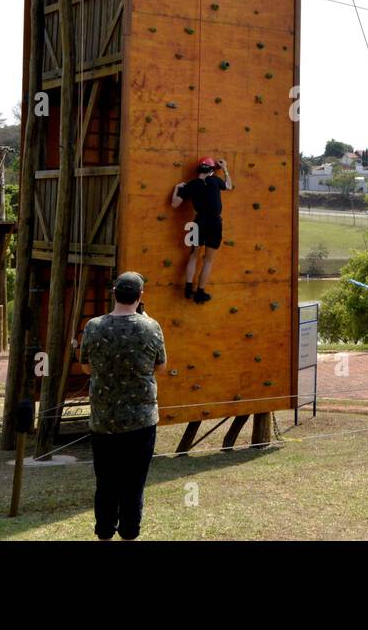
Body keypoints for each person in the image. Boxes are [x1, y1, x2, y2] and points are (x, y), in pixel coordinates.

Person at [79, 272, 167, 541]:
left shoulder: (93, 327)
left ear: (113, 292)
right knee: (133, 486)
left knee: (105, 485)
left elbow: (85, 366)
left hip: (104, 420)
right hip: (141, 421)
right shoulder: (151, 327)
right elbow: (160, 366)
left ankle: (104, 534)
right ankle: (129, 534)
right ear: (140, 296)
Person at [171, 155, 232, 303]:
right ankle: (200, 292)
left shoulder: (191, 185)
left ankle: (188, 287)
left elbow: (174, 204)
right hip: (214, 223)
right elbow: (229, 186)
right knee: (208, 260)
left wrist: (176, 189)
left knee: (193, 255)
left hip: (198, 222)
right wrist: (225, 169)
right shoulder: (215, 181)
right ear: (212, 169)